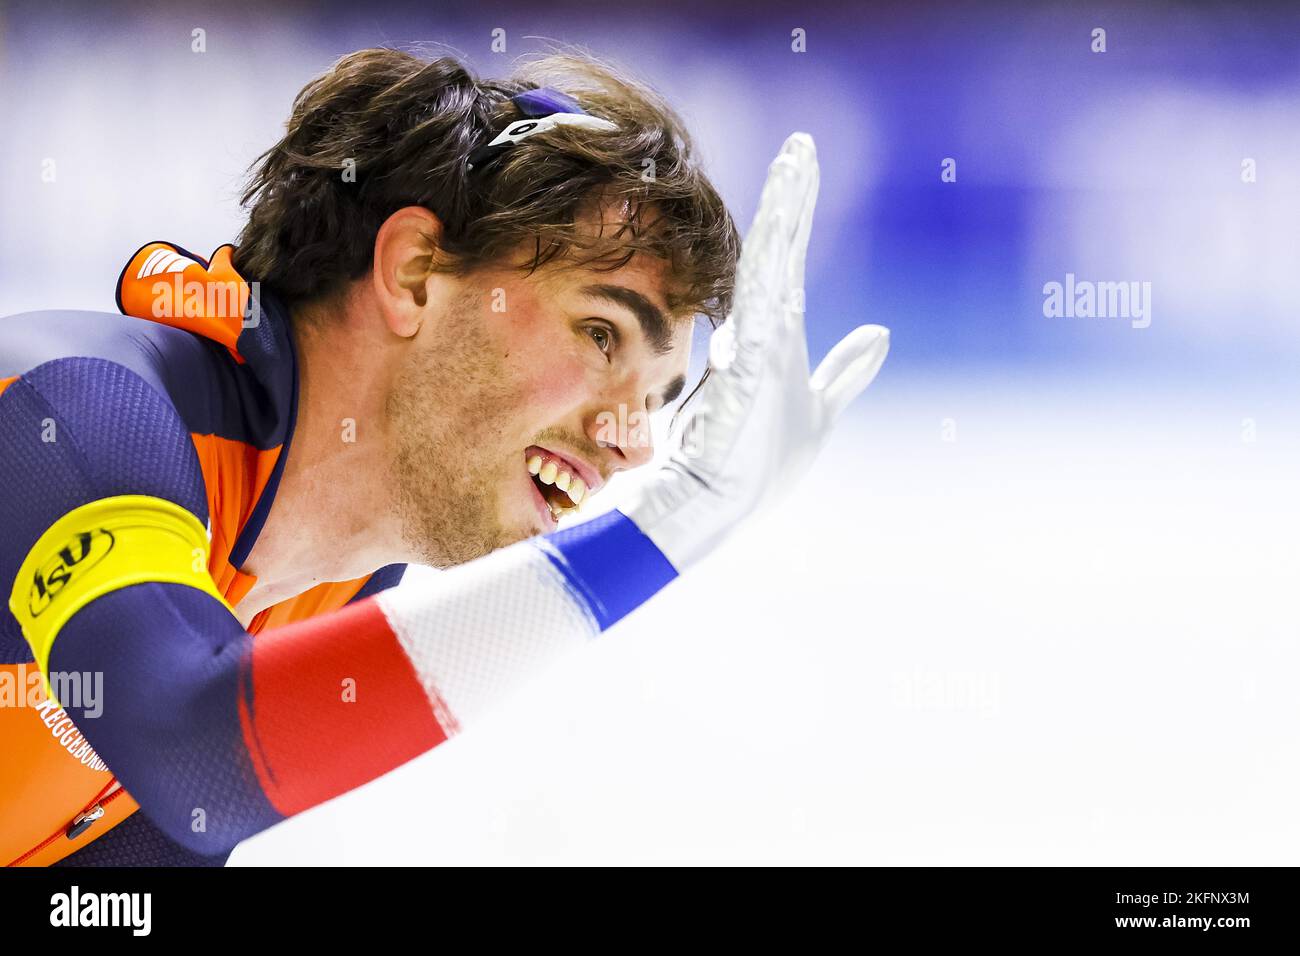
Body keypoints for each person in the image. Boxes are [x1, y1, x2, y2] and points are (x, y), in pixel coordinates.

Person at [0, 48, 888, 866]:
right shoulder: (73, 417)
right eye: (600, 333)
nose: (634, 443)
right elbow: (194, 747)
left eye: (658, 402)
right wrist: (680, 520)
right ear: (415, 273)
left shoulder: (329, 592)